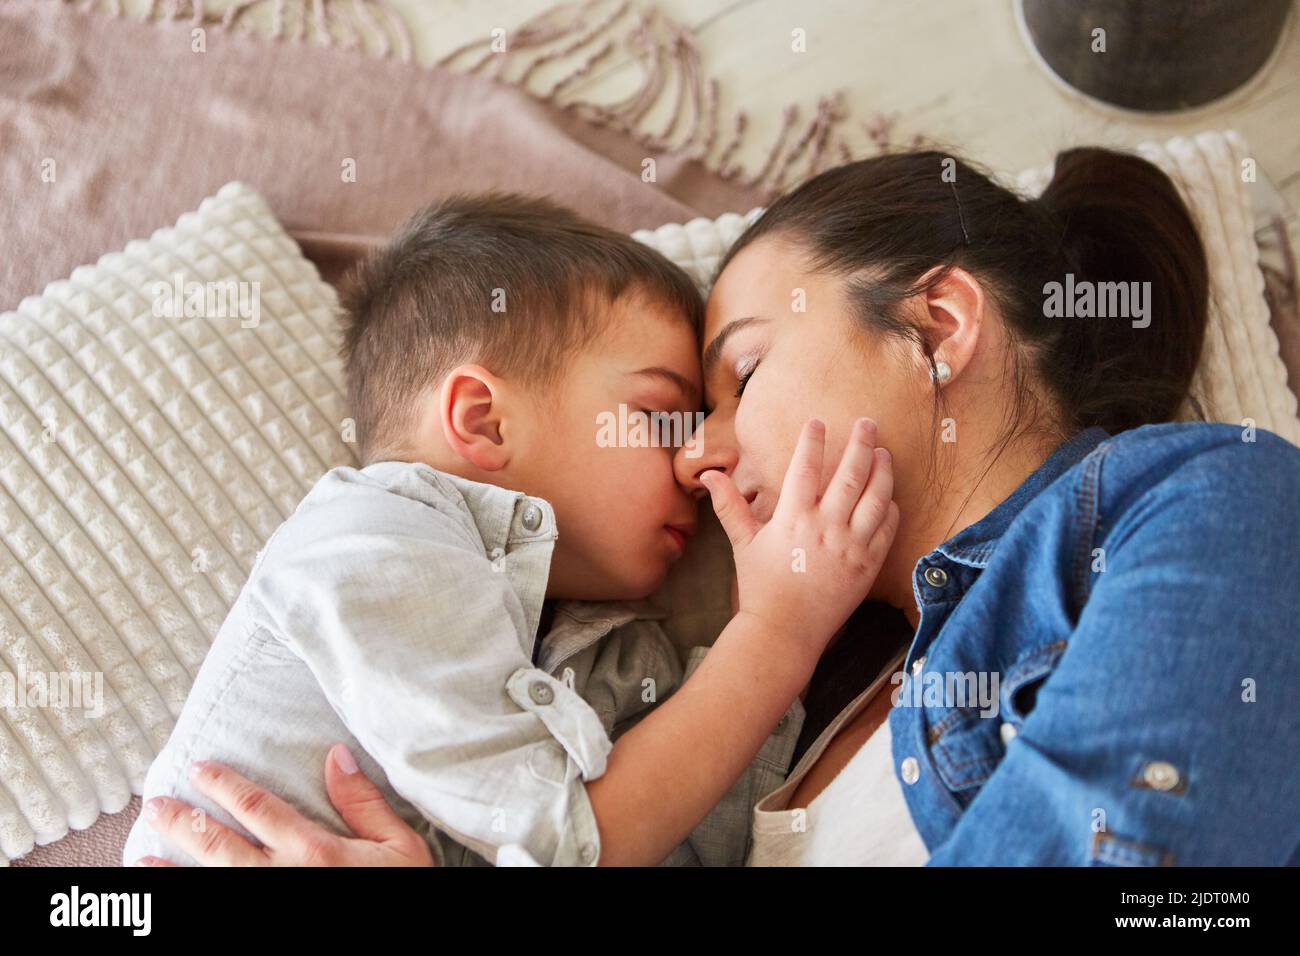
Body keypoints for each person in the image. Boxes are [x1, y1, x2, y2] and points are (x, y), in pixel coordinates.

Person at [138, 148, 1300, 867]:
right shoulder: (791, 713)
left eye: (742, 374)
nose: (697, 456)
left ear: (937, 327)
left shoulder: (1210, 497)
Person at [124, 193, 897, 869]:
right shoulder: (377, 542)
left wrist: (774, 625)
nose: (694, 460)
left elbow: (690, 844)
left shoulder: (620, 651)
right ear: (484, 420)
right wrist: (777, 632)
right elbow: (568, 841)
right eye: (661, 416)